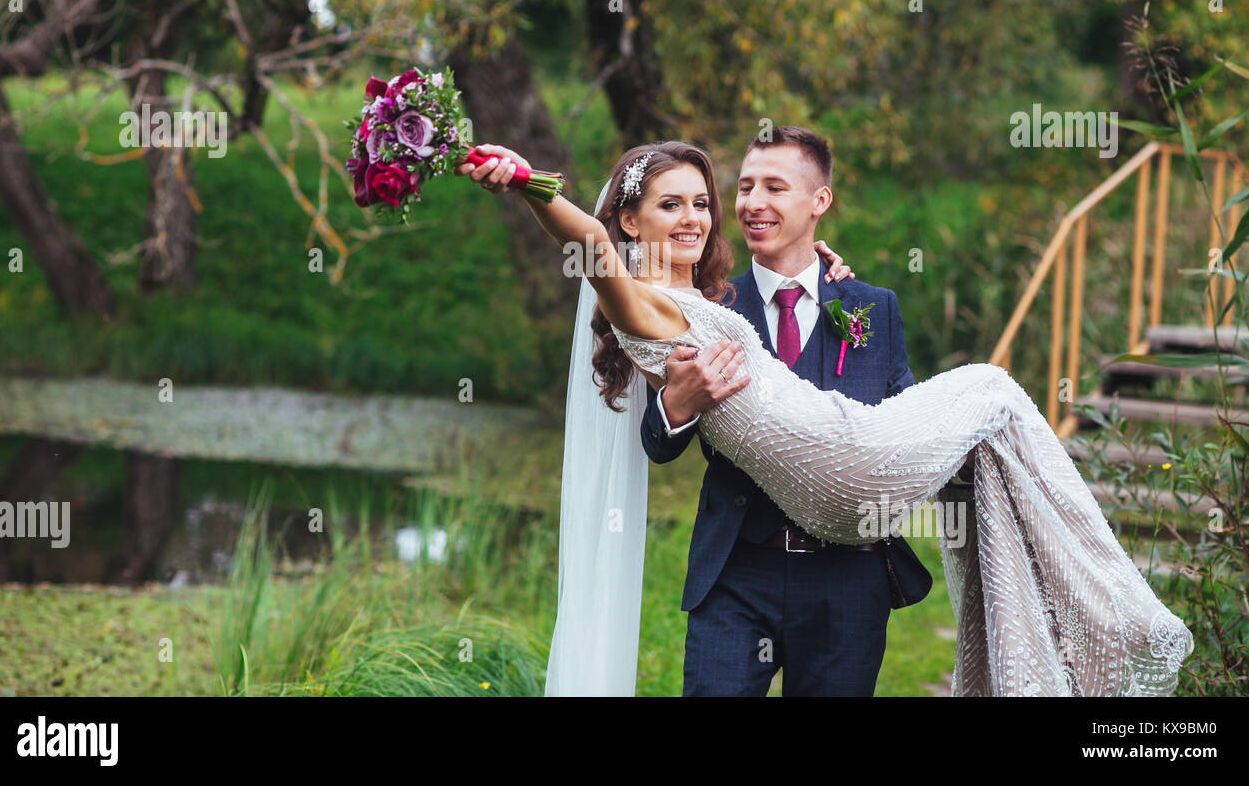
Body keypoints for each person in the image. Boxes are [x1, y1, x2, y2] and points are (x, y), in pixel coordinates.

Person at [457, 139, 1195, 697]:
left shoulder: (844, 304)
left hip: (848, 543)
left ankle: (1070, 624)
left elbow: (899, 409)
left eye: (704, 202)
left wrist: (816, 271)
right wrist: (528, 185)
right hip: (742, 568)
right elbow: (592, 253)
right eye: (684, 201)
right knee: (997, 391)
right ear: (627, 217)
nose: (707, 213)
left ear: (819, 203)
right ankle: (1114, 609)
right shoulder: (653, 302)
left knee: (997, 421)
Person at [640, 126, 933, 696]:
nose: (753, 202)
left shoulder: (873, 308)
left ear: (818, 201)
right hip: (738, 572)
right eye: (745, 187)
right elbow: (659, 442)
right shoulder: (708, 306)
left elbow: (906, 431)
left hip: (849, 578)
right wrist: (678, 403)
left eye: (775, 187)